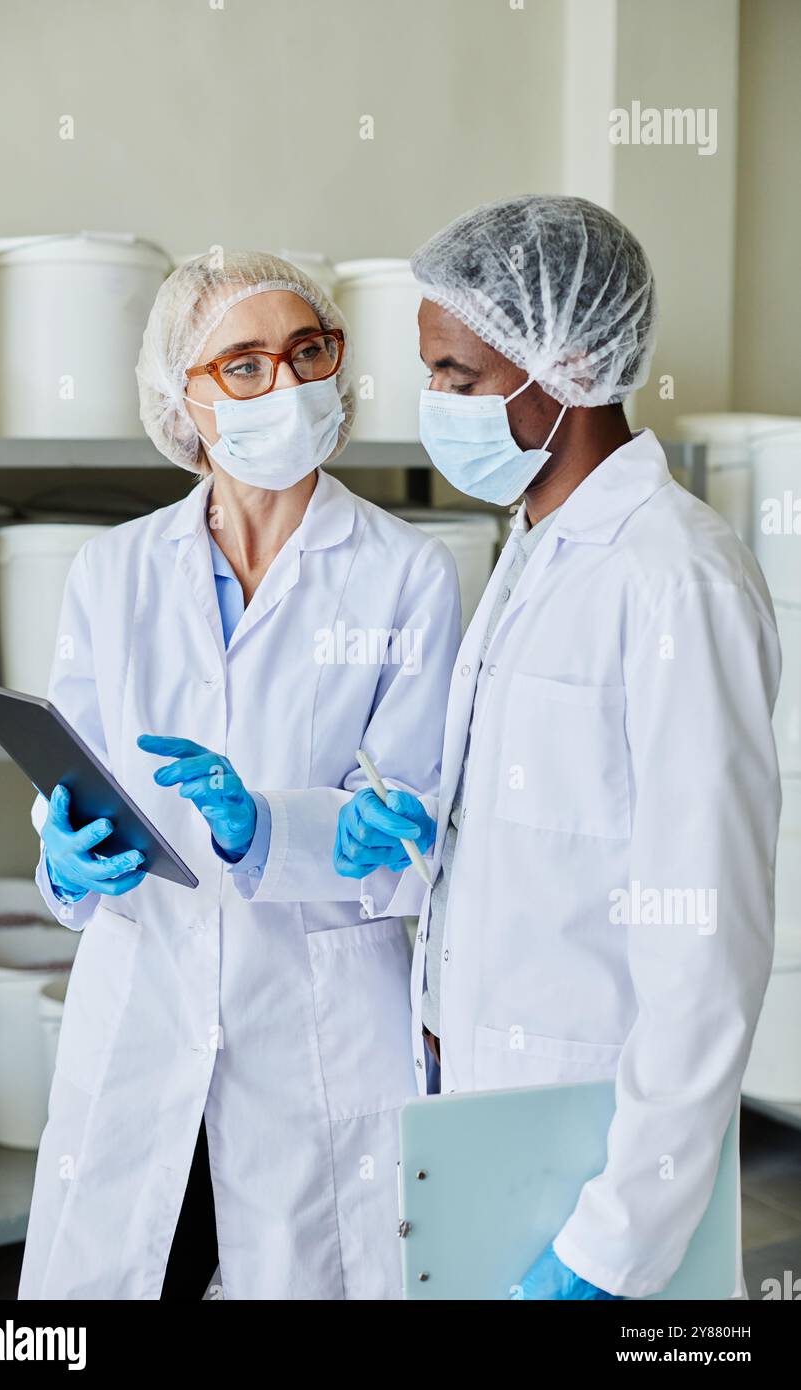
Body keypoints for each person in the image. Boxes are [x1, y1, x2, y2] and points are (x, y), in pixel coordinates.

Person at [335, 196, 782, 1299]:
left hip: (594, 1157)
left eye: (458, 377)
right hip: (487, 1111)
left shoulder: (671, 574)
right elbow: (564, 835)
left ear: (568, 363)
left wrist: (613, 1243)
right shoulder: (534, 543)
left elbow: (705, 942)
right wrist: (428, 845)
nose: (435, 405)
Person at [18, 252, 460, 1300]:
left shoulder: (405, 571)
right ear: (186, 399)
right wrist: (68, 863)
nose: (291, 383)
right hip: (142, 1010)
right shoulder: (112, 572)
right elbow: (66, 784)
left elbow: (416, 832)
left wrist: (276, 830)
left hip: (319, 1032)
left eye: (308, 352)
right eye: (246, 364)